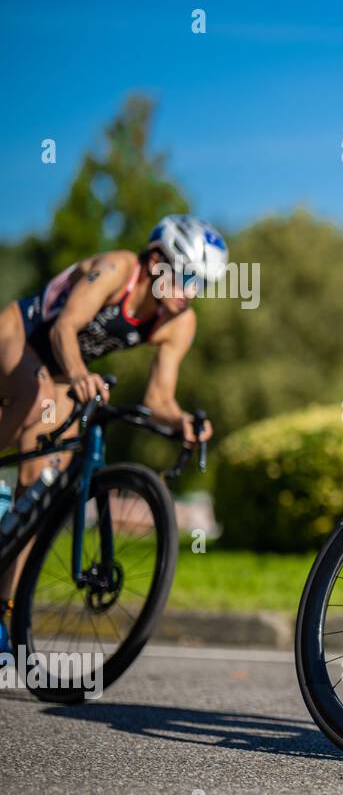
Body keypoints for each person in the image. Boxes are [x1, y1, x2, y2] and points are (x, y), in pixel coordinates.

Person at [0, 215, 223, 659]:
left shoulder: (178, 323)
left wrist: (181, 422)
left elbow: (160, 399)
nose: (192, 292)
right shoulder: (119, 269)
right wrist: (82, 376)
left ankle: (1, 612)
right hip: (19, 335)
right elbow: (64, 328)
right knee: (35, 391)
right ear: (157, 260)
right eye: (188, 277)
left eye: (203, 283)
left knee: (38, 493)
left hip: (62, 374)